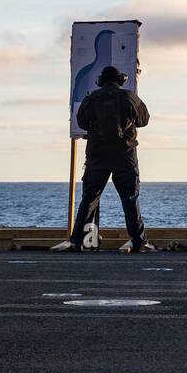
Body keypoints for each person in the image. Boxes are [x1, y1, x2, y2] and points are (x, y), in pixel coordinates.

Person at [54, 65, 154, 253]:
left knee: (89, 198)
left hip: (97, 155)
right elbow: (144, 120)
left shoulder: (91, 98)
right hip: (124, 155)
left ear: (101, 81)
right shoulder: (129, 97)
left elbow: (82, 122)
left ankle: (77, 240)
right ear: (121, 80)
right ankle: (138, 240)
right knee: (130, 197)